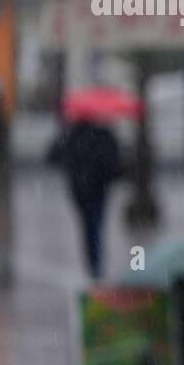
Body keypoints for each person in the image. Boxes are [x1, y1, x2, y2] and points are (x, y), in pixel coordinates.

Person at [48, 116, 125, 279]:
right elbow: (115, 163)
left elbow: (53, 156)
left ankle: (93, 261)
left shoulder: (72, 135)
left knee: (88, 226)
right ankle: (95, 261)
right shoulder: (102, 135)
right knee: (95, 225)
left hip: (81, 190)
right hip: (97, 189)